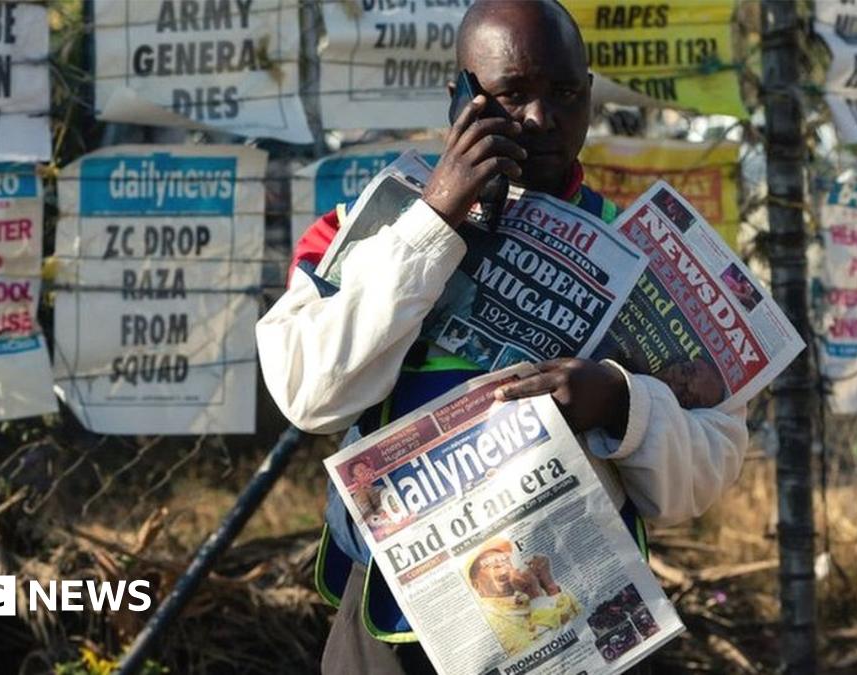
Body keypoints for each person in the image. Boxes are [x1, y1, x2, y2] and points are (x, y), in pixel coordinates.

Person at [256, 2, 749, 672]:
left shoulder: (640, 253)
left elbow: (708, 471)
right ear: (458, 97)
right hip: (401, 627)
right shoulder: (362, 230)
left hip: (576, 617)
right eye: (511, 94)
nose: (542, 120)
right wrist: (435, 218)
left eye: (566, 94)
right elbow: (310, 396)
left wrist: (621, 405)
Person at [466, 539, 582, 655]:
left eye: (505, 559)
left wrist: (548, 583)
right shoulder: (490, 620)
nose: (500, 564)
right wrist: (534, 594)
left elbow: (577, 617)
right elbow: (545, 648)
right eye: (488, 563)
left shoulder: (530, 590)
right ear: (476, 585)